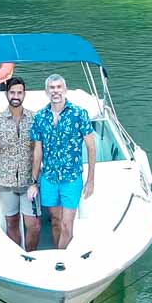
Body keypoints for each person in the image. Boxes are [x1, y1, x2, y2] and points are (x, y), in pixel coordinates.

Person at [28, 74, 95, 251]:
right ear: (46, 91)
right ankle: (60, 254)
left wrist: (90, 180)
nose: (55, 91)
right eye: (52, 87)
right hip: (49, 178)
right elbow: (37, 152)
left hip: (71, 179)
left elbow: (91, 148)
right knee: (56, 221)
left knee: (67, 225)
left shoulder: (79, 114)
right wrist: (34, 182)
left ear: (64, 90)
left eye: (58, 87)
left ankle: (61, 259)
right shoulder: (40, 117)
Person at [0, 76, 39, 251]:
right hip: (5, 182)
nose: (16, 96)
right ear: (7, 94)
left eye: (19, 93)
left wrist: (36, 180)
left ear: (24, 94)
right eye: (12, 92)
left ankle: (31, 255)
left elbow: (39, 150)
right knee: (12, 222)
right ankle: (18, 259)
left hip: (28, 182)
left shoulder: (34, 119)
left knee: (34, 225)